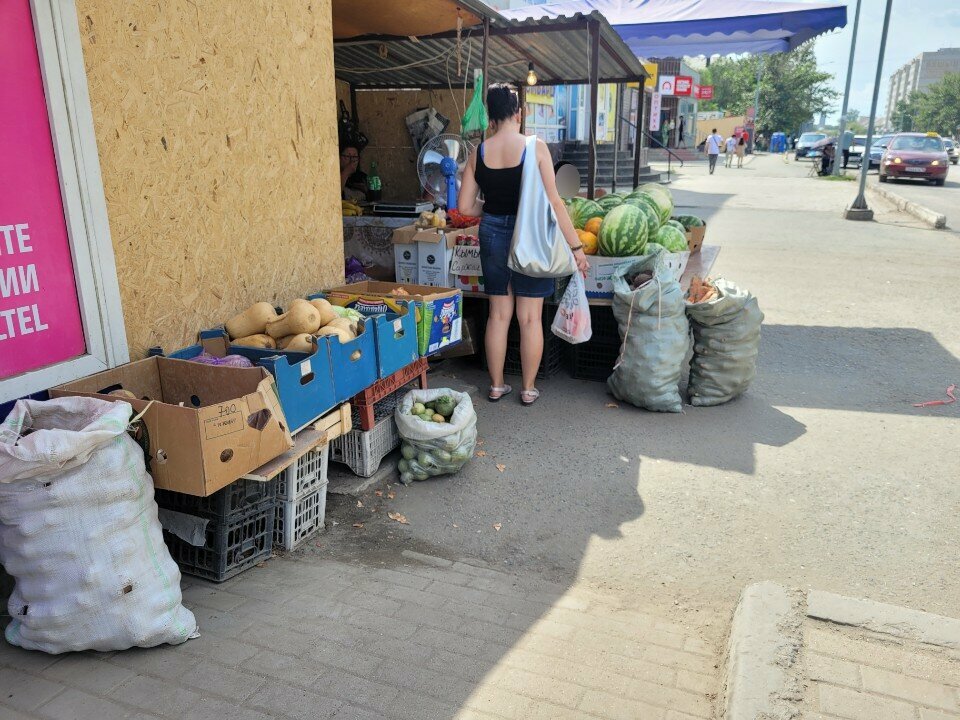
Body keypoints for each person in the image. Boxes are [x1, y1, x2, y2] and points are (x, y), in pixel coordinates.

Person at [457, 84, 589, 407]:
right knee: (529, 317)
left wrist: (488, 211)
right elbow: (555, 204)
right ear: (520, 113)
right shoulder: (536, 147)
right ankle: (528, 388)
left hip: (491, 233)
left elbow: (464, 207)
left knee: (499, 315)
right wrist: (576, 248)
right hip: (531, 237)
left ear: (490, 116)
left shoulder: (479, 152)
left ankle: (497, 385)